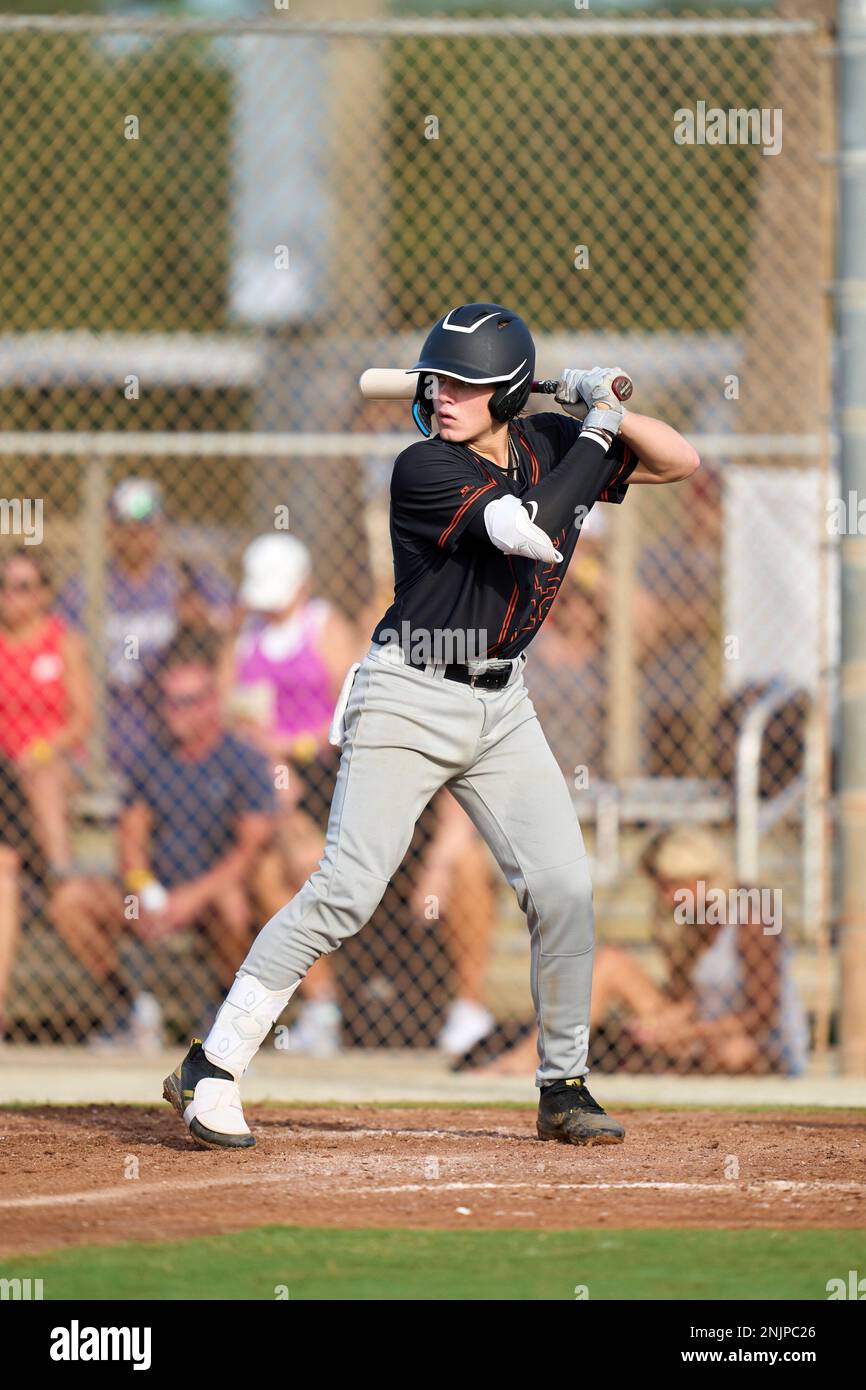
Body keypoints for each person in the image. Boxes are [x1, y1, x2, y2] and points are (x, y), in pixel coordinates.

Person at [164, 301, 699, 1150]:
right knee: (345, 890)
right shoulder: (423, 467)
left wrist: (613, 411)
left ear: (510, 391)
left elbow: (682, 460)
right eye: (439, 379)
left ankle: (562, 1084)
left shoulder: (552, 444)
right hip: (408, 692)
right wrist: (596, 432)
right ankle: (212, 1066)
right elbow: (528, 533)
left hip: (502, 701)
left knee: (562, 887)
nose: (442, 395)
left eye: (466, 384)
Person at [52, 627, 277, 1043]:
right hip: (157, 895)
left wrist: (192, 898)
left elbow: (250, 849)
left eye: (187, 702)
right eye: (168, 701)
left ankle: (226, 1014)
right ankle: (132, 1010)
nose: (174, 711)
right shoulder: (150, 759)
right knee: (71, 900)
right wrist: (147, 894)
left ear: (212, 704)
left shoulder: (242, 759)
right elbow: (131, 839)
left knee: (231, 905)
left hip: (212, 898)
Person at [469, 825, 810, 1077]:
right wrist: (665, 1023)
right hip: (703, 1033)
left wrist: (686, 1031)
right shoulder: (691, 920)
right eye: (662, 885)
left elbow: (764, 1015)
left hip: (755, 1043)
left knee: (732, 1052)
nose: (665, 896)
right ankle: (536, 1058)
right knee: (612, 963)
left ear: (706, 877)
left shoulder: (752, 914)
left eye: (675, 885)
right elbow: (688, 999)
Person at [58, 478, 233, 776]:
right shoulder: (87, 587)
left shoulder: (184, 580)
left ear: (159, 528)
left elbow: (235, 626)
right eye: (126, 526)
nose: (135, 535)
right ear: (111, 528)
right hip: (104, 727)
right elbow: (59, 645)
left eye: (144, 526)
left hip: (168, 727)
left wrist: (202, 621)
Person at [0, 547, 93, 879]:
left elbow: (82, 720)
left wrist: (38, 751)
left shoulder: (63, 641)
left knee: (42, 775)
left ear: (42, 594)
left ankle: (60, 875)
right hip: (4, 763)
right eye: (4, 585)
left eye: (23, 587)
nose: (10, 595)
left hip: (53, 759)